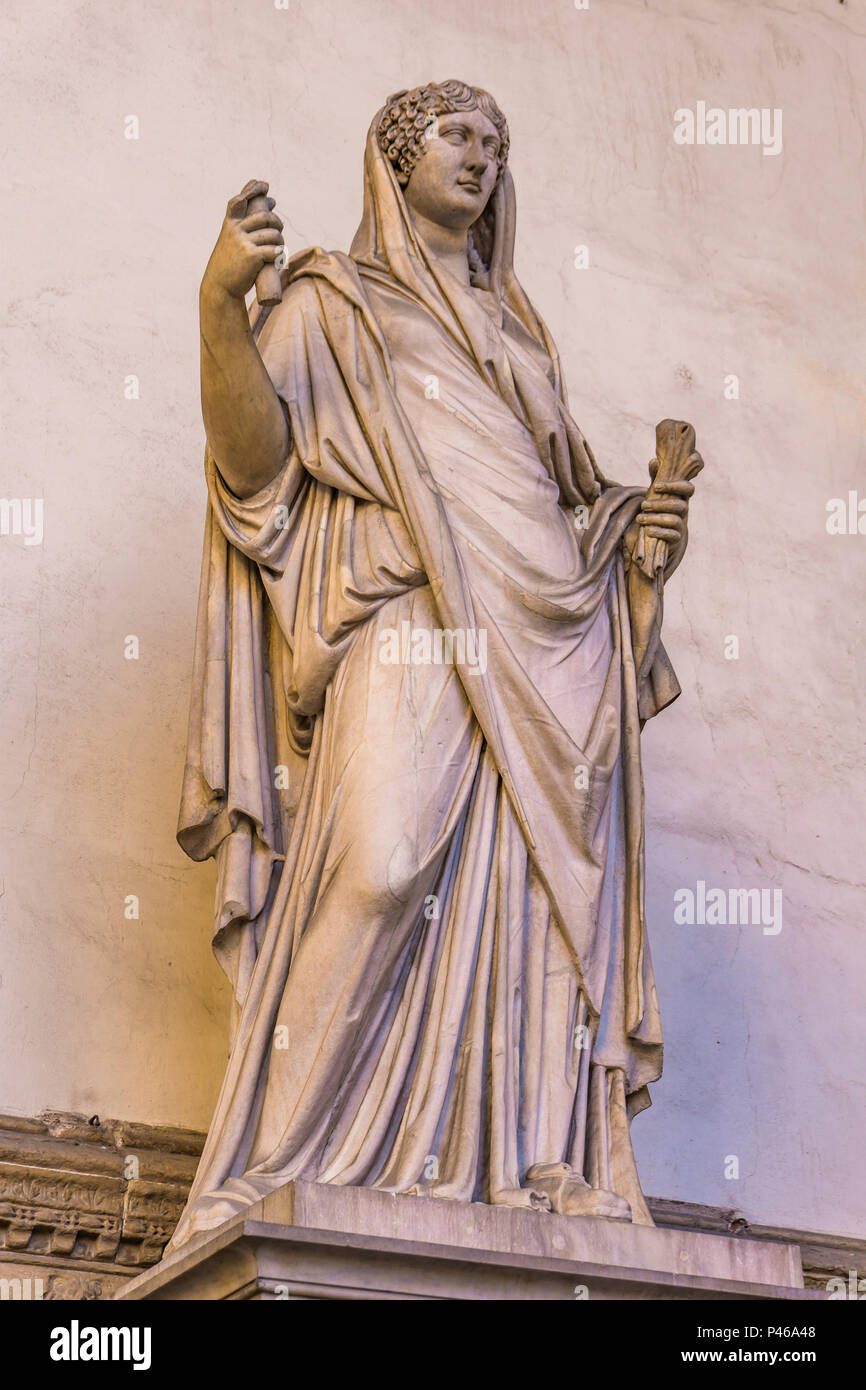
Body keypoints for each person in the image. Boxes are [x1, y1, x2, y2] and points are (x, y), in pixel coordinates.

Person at [168, 80, 697, 1251]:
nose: (480, 155)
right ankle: (275, 1160)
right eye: (456, 135)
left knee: (527, 901)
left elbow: (555, 502)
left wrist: (634, 542)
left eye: (495, 142)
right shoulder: (331, 300)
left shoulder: (518, 331)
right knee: (382, 863)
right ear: (395, 161)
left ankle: (521, 1157)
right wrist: (218, 308)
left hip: (546, 647)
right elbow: (255, 468)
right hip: (409, 616)